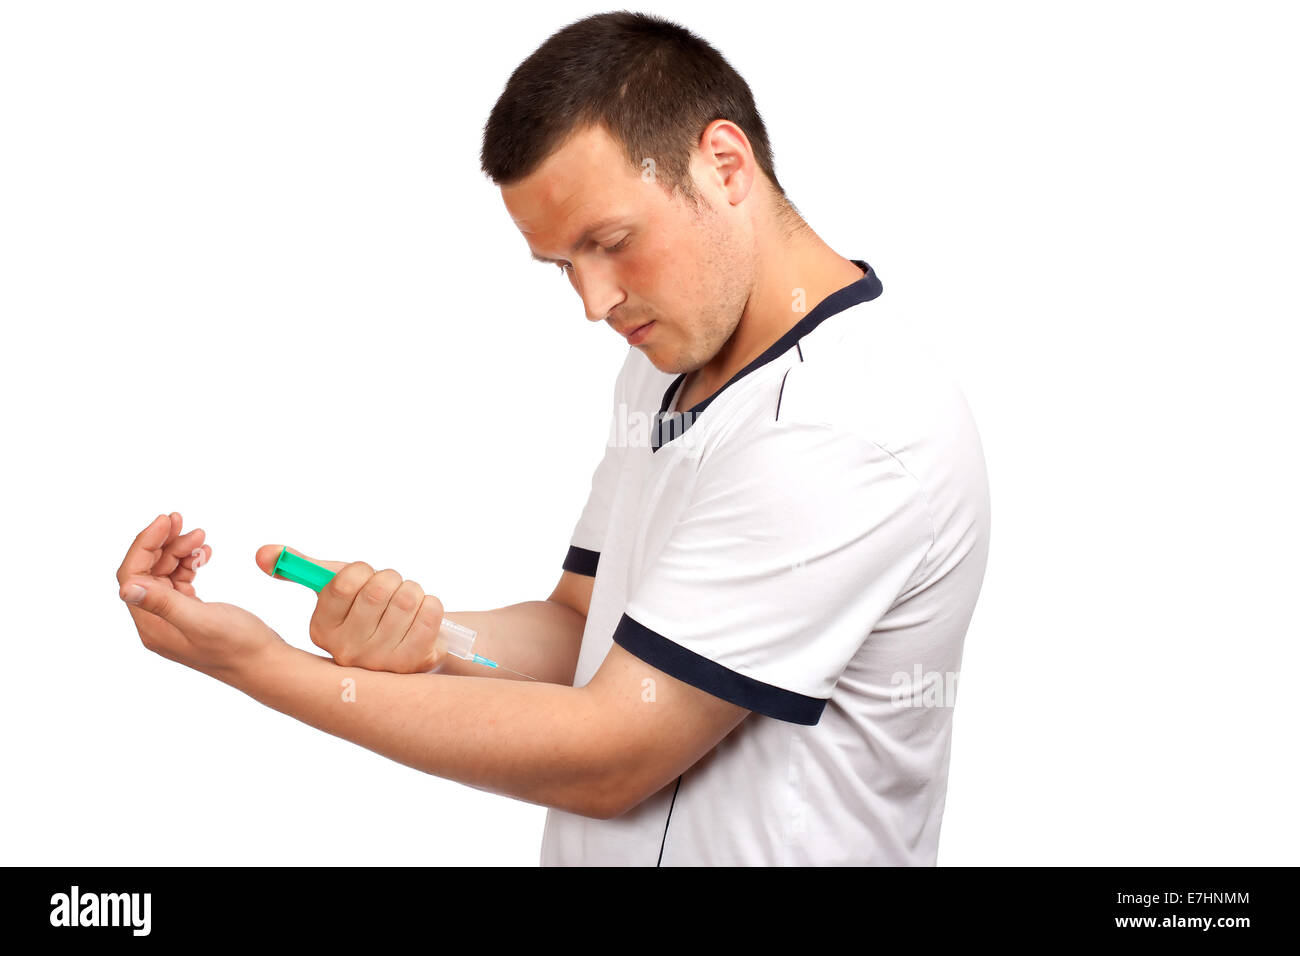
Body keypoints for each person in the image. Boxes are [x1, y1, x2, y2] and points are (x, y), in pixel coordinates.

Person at [116, 11, 990, 866]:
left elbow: (614, 753)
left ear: (725, 164)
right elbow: (582, 628)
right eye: (564, 265)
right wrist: (425, 640)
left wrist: (261, 668)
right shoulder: (666, 359)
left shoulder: (848, 425)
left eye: (610, 242)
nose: (594, 302)